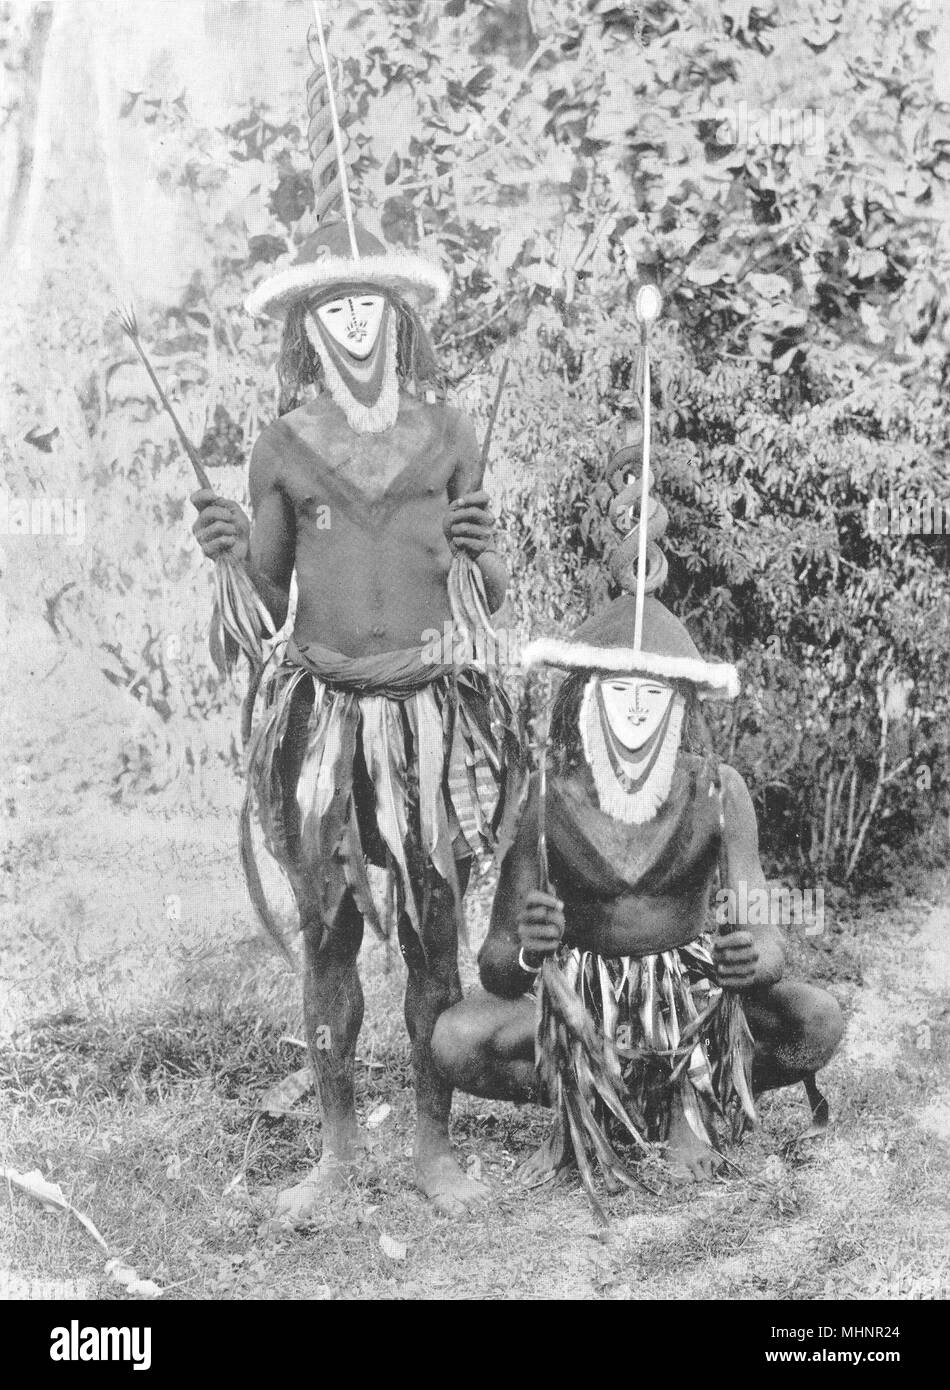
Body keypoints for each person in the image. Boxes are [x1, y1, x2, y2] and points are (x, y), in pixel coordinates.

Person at [193, 216, 522, 1219]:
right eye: (332, 305)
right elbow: (262, 603)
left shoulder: (448, 433)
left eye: (367, 302)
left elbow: (488, 591)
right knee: (327, 935)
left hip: (429, 721)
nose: (352, 320)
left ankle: (431, 1148)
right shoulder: (282, 446)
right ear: (307, 324)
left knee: (433, 934)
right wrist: (228, 552)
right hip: (325, 724)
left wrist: (486, 546)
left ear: (395, 314)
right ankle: (335, 1154)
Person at [433, 507, 843, 1191]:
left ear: (677, 700)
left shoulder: (720, 791)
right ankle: (593, 1095)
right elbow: (500, 966)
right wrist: (533, 950)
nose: (634, 711)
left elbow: (765, 933)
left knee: (816, 1020)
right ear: (587, 697)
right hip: (582, 1014)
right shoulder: (548, 799)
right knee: (454, 1038)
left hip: (692, 1011)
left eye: (652, 692)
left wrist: (757, 959)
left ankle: (689, 1098)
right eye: (618, 691)